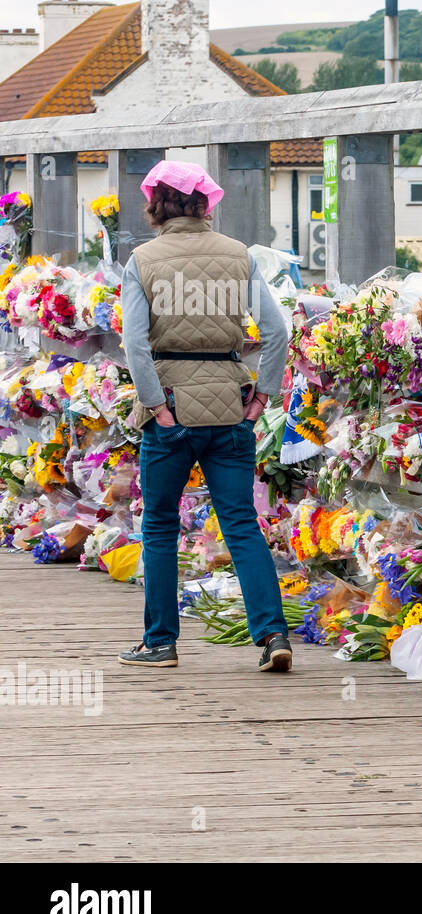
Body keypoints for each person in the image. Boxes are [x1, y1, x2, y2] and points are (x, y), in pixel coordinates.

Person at [117, 160, 292, 672]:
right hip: (230, 405)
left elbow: (134, 343)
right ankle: (273, 634)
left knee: (160, 526)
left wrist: (155, 406)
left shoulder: (143, 261)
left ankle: (161, 642)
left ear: (157, 204)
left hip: (171, 403)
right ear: (204, 204)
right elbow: (277, 333)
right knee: (241, 522)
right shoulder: (239, 256)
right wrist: (261, 397)